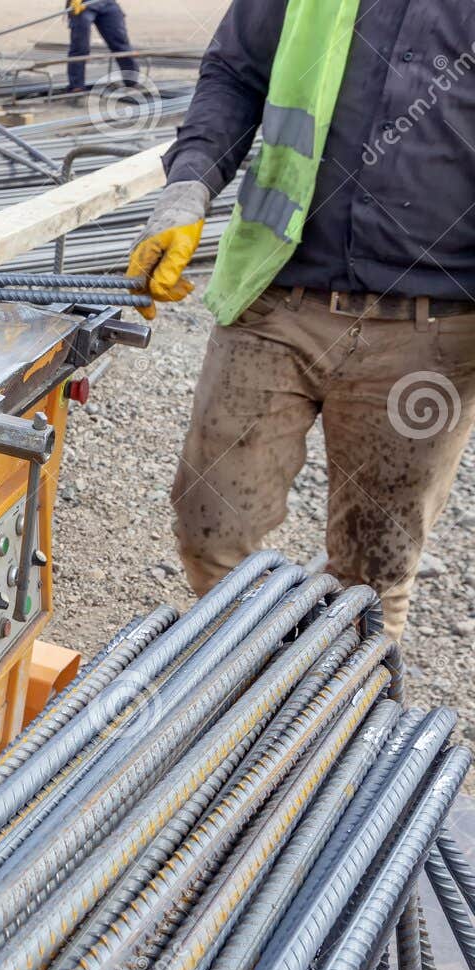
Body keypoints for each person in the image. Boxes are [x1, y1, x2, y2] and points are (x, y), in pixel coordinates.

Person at [127, 0, 475, 640]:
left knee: (373, 574)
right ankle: (241, 686)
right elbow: (235, 73)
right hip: (275, 295)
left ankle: (350, 715)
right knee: (211, 527)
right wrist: (189, 185)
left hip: (431, 332)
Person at [66, 0, 138, 93]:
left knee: (121, 43)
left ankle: (132, 82)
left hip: (107, 3)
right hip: (82, 3)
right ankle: (77, 87)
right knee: (80, 47)